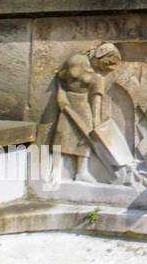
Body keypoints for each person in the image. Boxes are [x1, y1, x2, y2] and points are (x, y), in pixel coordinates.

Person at [51, 43, 122, 183]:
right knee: (61, 134)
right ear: (100, 54)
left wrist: (96, 121)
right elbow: (60, 78)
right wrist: (60, 93)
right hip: (67, 102)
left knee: (84, 139)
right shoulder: (76, 60)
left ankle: (81, 172)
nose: (107, 67)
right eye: (106, 62)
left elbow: (96, 99)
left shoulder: (98, 77)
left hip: (84, 106)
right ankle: (56, 170)